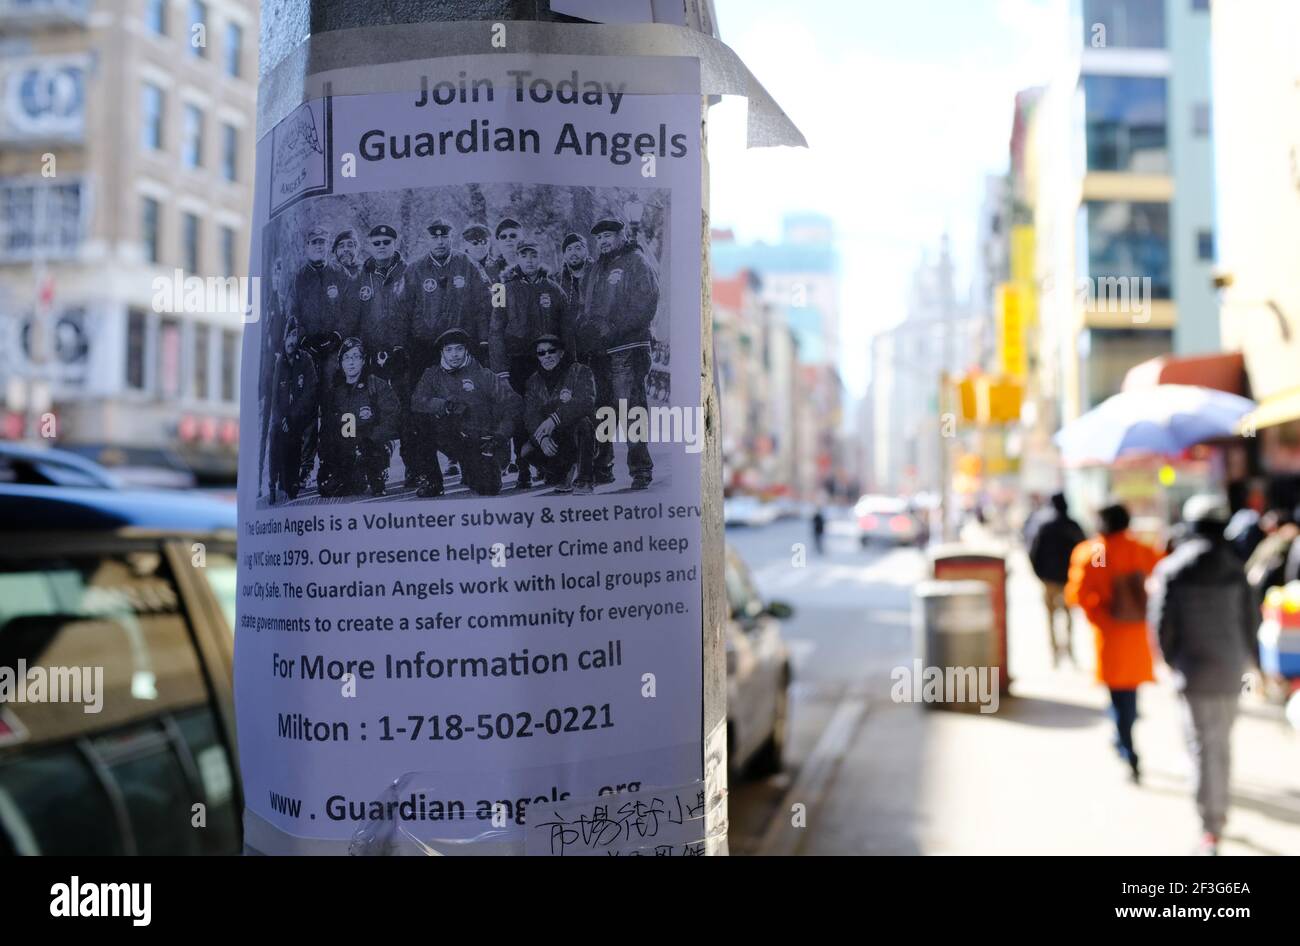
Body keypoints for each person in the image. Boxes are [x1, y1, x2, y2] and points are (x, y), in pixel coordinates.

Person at [1149, 495, 1260, 855]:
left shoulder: (1172, 568)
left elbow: (1161, 627)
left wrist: (1170, 663)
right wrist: (1252, 664)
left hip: (1192, 672)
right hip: (1230, 671)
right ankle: (1217, 817)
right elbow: (1250, 622)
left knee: (1200, 746)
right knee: (1221, 745)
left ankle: (1210, 827)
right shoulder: (1235, 567)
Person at [1065, 502, 1162, 783]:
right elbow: (1160, 572)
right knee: (1128, 693)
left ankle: (1125, 744)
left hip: (1109, 634)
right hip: (1138, 634)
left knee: (1119, 694)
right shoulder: (1139, 549)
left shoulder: (1095, 552)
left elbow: (1078, 594)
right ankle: (1123, 739)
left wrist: (1100, 613)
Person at [406, 217, 492, 493]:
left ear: (451, 238)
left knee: (467, 406)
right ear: (428, 239)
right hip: (426, 349)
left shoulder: (467, 265)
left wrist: (483, 341)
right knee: (423, 411)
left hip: (460, 347)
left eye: (445, 236)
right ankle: (429, 476)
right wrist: (402, 347)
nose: (440, 241)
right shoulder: (415, 270)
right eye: (435, 236)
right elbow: (402, 311)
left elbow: (484, 303)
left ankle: (472, 465)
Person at [575, 217, 660, 490]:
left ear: (621, 235)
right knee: (602, 410)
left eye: (609, 235)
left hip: (627, 347)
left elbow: (646, 302)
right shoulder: (595, 268)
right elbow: (584, 307)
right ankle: (604, 467)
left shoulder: (635, 261)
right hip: (599, 350)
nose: (603, 241)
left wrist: (614, 329)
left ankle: (641, 470)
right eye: (599, 237)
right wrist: (585, 331)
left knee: (631, 409)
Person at [489, 238, 568, 490]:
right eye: (524, 255)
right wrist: (500, 368)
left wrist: (568, 362)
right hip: (518, 361)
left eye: (534, 255)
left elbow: (566, 329)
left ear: (540, 256)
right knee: (521, 414)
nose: (530, 260)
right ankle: (522, 468)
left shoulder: (554, 289)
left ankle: (547, 466)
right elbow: (495, 330)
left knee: (548, 411)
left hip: (547, 360)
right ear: (517, 258)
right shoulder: (503, 289)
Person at [410, 328, 520, 497]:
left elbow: (513, 404)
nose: (454, 355)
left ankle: (477, 469)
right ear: (442, 352)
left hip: (482, 442)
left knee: (488, 489)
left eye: (459, 349)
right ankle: (433, 481)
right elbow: (417, 401)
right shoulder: (431, 375)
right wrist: (445, 405)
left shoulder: (483, 375)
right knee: (419, 422)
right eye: (449, 350)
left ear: (466, 350)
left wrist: (500, 435)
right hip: (453, 437)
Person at [290, 225, 359, 486]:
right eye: (314, 242)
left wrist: (337, 336)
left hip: (332, 350)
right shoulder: (299, 278)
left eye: (323, 242)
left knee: (332, 408)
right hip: (308, 351)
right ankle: (305, 466)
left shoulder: (339, 274)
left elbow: (350, 310)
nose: (319, 246)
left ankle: (330, 465)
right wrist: (305, 337)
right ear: (307, 247)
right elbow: (293, 310)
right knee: (308, 410)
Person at [355, 224, 413, 483]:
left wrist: (405, 346)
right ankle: (378, 467)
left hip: (402, 354)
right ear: (369, 245)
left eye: (386, 242)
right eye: (376, 242)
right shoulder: (361, 277)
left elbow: (417, 312)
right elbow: (353, 318)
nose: (381, 246)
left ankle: (414, 465)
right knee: (374, 412)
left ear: (395, 243)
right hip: (371, 355)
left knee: (407, 410)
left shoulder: (409, 272)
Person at [318, 336, 400, 498]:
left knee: (370, 449)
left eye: (356, 357)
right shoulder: (336, 392)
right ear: (341, 363)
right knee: (329, 490)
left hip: (373, 443)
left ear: (363, 361)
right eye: (347, 358)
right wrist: (326, 462)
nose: (351, 362)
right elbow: (328, 428)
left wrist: (374, 437)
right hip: (349, 447)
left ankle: (377, 473)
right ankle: (354, 475)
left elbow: (392, 416)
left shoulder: (376, 385)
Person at [519, 334, 597, 494]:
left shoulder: (580, 371)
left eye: (551, 351)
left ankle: (584, 479)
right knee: (526, 451)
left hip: (578, 436)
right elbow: (530, 414)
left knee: (583, 423)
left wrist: (555, 419)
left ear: (561, 353)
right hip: (554, 439)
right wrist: (542, 439)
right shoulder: (533, 381)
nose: (546, 356)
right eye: (541, 353)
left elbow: (586, 401)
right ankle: (562, 473)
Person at [1028, 492, 1087, 666]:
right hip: (1069, 579)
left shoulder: (1044, 526)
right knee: (1069, 618)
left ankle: (1055, 653)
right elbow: (1086, 550)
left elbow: (1033, 553)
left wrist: (1040, 575)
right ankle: (1069, 651)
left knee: (1051, 617)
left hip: (1050, 580)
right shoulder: (1073, 525)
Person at [267, 317, 318, 504]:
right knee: (275, 433)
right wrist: (282, 419)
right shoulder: (279, 363)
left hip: (300, 416)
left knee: (298, 432)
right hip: (283, 419)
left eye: (295, 335)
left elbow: (310, 393)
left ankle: (297, 476)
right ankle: (274, 481)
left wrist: (292, 416)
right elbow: (275, 398)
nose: (291, 341)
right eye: (288, 336)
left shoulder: (305, 359)